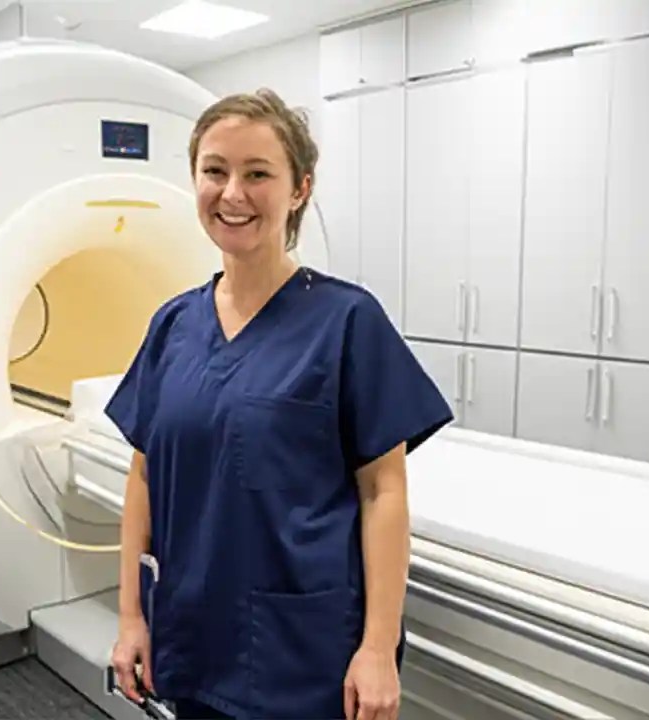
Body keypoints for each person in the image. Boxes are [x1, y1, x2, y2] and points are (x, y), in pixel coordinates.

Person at [105, 87, 453, 720]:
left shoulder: (348, 320)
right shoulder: (173, 325)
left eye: (257, 173)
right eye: (215, 171)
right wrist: (131, 615)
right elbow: (144, 474)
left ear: (299, 189)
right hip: (192, 633)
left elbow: (385, 493)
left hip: (305, 651)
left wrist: (377, 647)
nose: (232, 193)